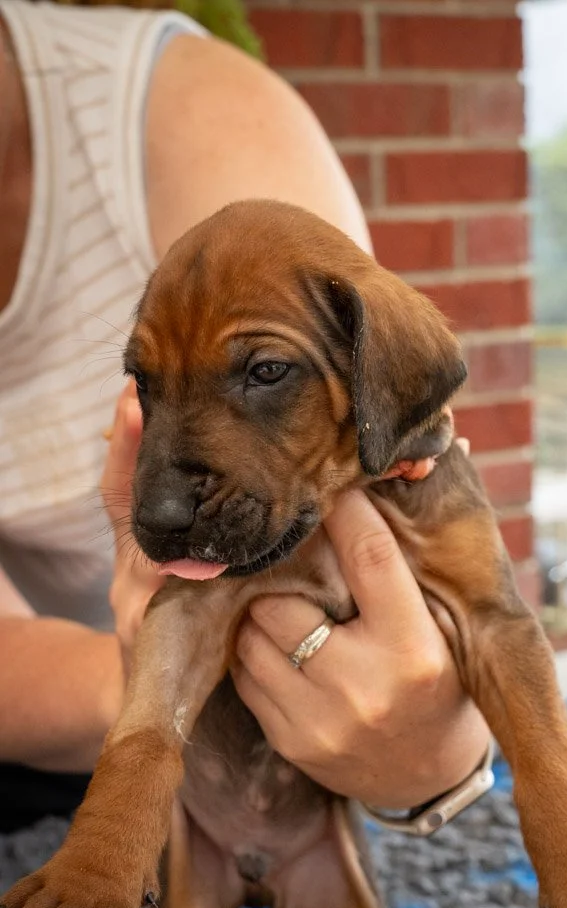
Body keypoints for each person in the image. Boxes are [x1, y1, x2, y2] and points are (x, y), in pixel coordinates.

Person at [0, 0, 490, 832]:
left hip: (281, 728)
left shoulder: (192, 120)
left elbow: (377, 519)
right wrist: (160, 680)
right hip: (74, 734)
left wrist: (436, 755)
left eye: (264, 373)